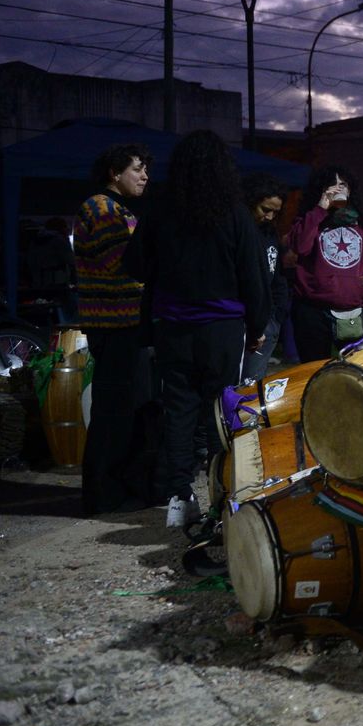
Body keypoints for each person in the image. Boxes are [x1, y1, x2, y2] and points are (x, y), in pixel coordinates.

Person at [123, 131, 269, 528]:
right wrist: (257, 326)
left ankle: (177, 499)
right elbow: (254, 277)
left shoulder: (160, 211)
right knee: (221, 413)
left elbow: (134, 264)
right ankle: (223, 501)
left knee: (179, 412)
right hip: (222, 329)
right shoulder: (236, 214)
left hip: (173, 327)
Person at [73, 143, 153, 515]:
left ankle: (116, 488)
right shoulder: (102, 208)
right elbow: (122, 266)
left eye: (145, 169)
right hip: (114, 322)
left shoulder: (116, 208)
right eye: (137, 168)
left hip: (122, 322)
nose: (144, 176)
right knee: (113, 412)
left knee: (125, 409)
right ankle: (103, 494)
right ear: (114, 173)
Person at [285, 166, 363, 362]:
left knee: (356, 370)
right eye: (331, 184)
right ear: (321, 190)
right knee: (314, 370)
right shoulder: (309, 219)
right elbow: (300, 247)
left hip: (353, 310)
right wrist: (320, 210)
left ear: (350, 190)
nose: (337, 188)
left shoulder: (362, 225)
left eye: (343, 184)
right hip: (313, 310)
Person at [240, 174, 289, 382]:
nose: (269, 216)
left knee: (253, 385)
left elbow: (277, 274)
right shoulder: (241, 232)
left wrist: (277, 315)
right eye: (265, 209)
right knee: (238, 383)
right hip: (243, 319)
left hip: (268, 319)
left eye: (275, 212)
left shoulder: (270, 233)